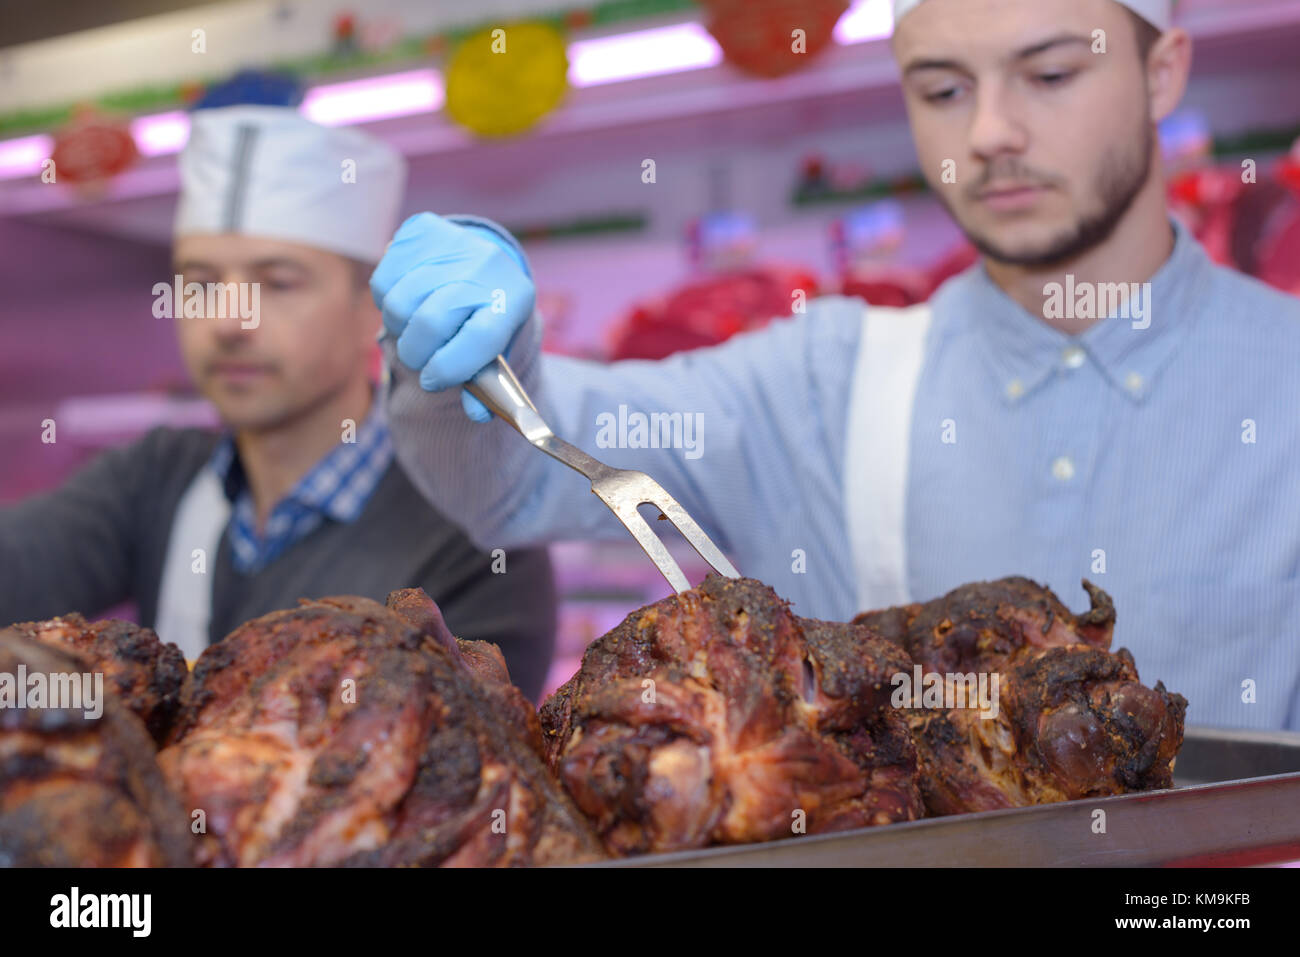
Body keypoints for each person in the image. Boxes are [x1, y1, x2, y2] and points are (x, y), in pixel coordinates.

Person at [370, 0, 1300, 731]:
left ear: (1164, 70)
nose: (988, 133)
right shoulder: (825, 379)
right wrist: (474, 350)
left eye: (1051, 73)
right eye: (941, 89)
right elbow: (516, 483)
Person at [0, 105, 558, 699]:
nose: (229, 322)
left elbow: (442, 764)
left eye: (278, 282)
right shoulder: (156, 475)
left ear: (372, 304)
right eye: (202, 283)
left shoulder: (476, 537)